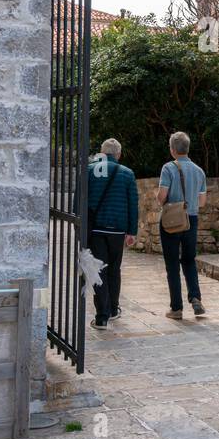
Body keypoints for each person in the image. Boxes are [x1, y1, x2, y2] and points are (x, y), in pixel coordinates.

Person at [85, 138, 137, 329]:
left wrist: (79, 227)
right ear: (118, 154)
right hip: (118, 230)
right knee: (114, 269)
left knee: (99, 271)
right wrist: (132, 231)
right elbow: (133, 204)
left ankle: (101, 317)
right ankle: (114, 309)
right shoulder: (127, 174)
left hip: (96, 229)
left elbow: (80, 199)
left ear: (101, 152)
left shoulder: (89, 171)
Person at [156, 131, 207, 319]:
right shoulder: (199, 171)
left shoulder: (168, 168)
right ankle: (195, 298)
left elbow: (162, 196)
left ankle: (176, 308)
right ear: (187, 148)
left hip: (171, 220)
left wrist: (160, 199)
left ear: (172, 150)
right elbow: (202, 202)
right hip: (191, 219)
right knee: (189, 260)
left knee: (172, 264)